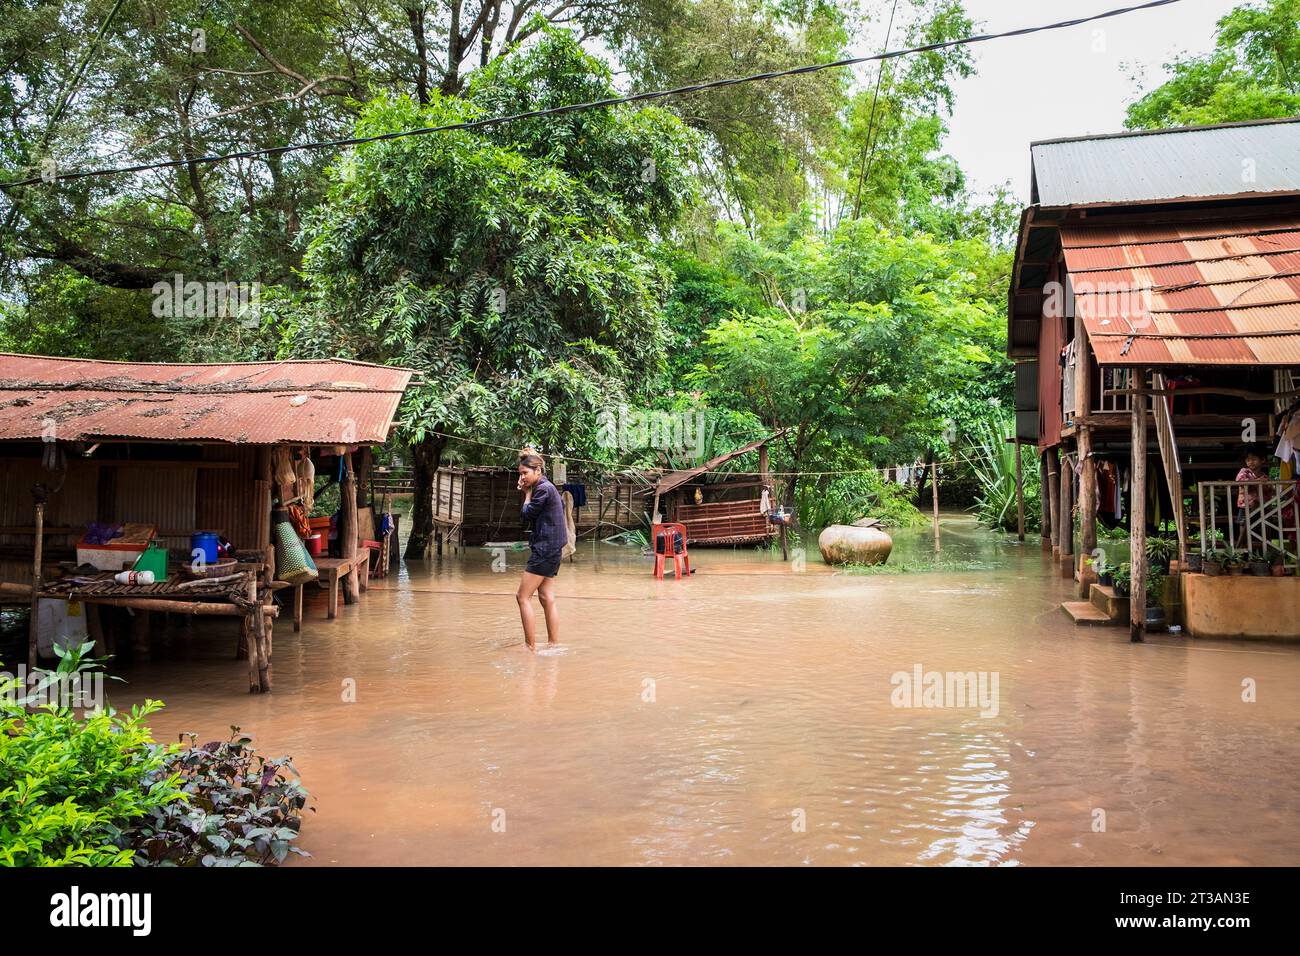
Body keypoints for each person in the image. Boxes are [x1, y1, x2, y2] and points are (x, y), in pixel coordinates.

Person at [516, 448, 563, 650]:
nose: (522, 477)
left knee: (522, 597)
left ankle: (530, 648)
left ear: (538, 471)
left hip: (545, 548)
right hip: (553, 547)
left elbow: (528, 513)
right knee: (546, 597)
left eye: (525, 473)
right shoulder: (546, 487)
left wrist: (526, 494)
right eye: (520, 473)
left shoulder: (542, 489)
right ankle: (553, 645)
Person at [1235, 448, 1269, 549]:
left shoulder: (1264, 476)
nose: (1251, 462)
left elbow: (1268, 490)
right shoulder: (1244, 471)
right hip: (1245, 506)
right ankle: (1240, 553)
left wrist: (1265, 484)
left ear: (1262, 460)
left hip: (1261, 507)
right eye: (1248, 460)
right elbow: (1241, 481)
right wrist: (1258, 481)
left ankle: (1266, 555)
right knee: (1244, 532)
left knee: (1265, 531)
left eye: (1254, 459)